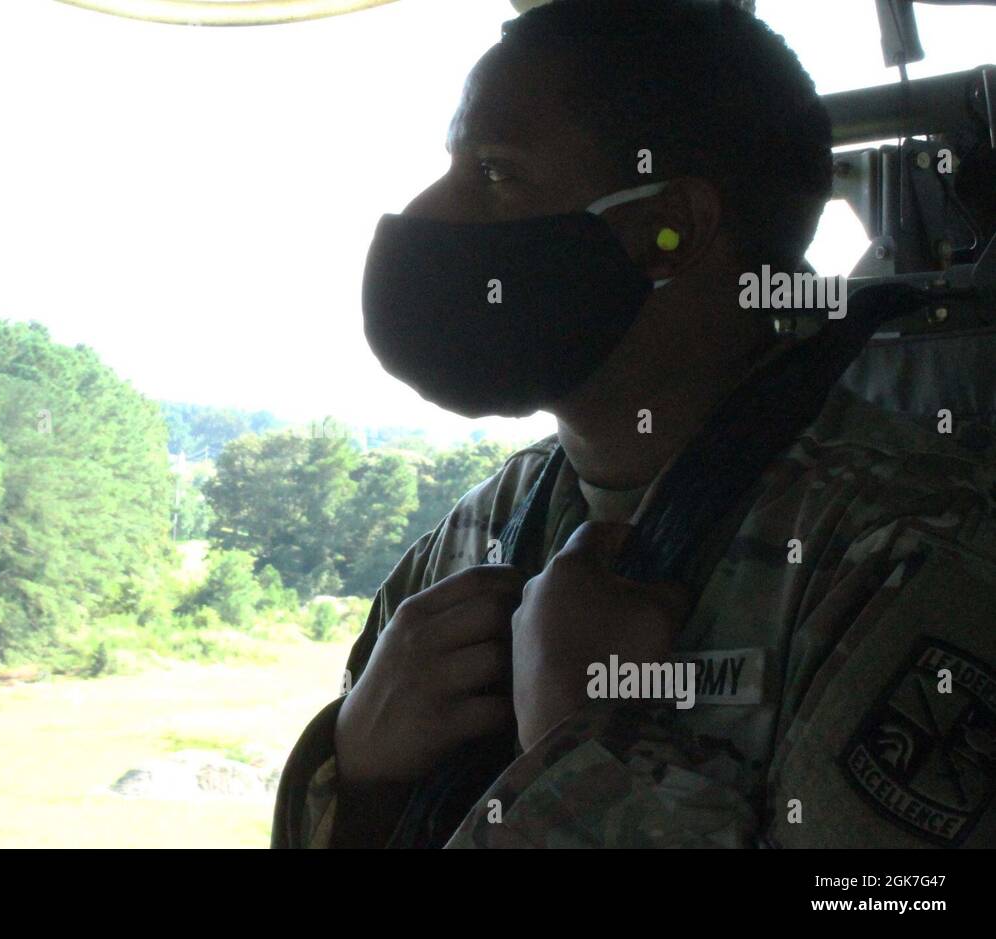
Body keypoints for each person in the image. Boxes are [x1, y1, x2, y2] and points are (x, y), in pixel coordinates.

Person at [271, 0, 996, 848]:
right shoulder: (474, 538)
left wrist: (586, 749)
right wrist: (362, 778)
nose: (428, 214)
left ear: (668, 230)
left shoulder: (915, 557)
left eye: (495, 173)